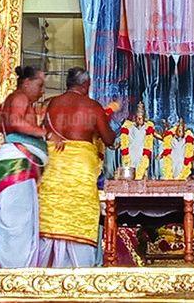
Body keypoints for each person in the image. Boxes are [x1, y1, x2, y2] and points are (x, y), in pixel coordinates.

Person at [37, 66, 116, 267]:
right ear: (85, 84)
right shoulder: (92, 107)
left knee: (51, 212)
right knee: (80, 213)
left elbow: (40, 132)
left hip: (52, 168)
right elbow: (108, 139)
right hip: (80, 170)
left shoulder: (50, 104)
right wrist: (108, 120)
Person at [0, 65, 48, 268]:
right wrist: (42, 132)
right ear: (26, 83)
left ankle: (6, 266)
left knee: (10, 217)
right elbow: (16, 122)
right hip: (18, 164)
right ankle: (15, 271)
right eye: (39, 85)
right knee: (19, 221)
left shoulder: (7, 102)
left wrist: (4, 155)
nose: (42, 91)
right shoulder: (20, 97)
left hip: (11, 161)